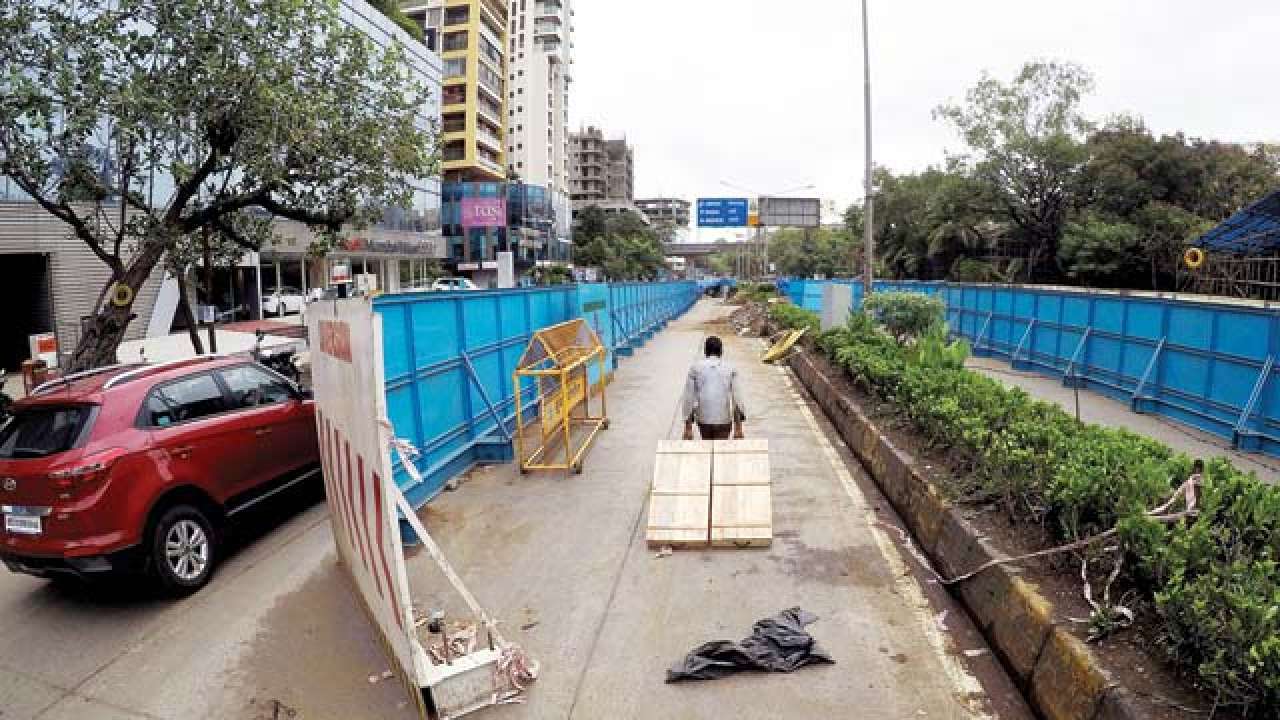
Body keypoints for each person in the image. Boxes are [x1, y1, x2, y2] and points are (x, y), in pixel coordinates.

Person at [681, 335, 747, 440]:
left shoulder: (695, 368)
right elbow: (737, 399)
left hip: (704, 420)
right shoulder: (730, 368)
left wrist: (688, 428)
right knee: (720, 450)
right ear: (721, 351)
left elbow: (689, 399)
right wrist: (738, 428)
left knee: (708, 447)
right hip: (723, 420)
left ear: (705, 351)